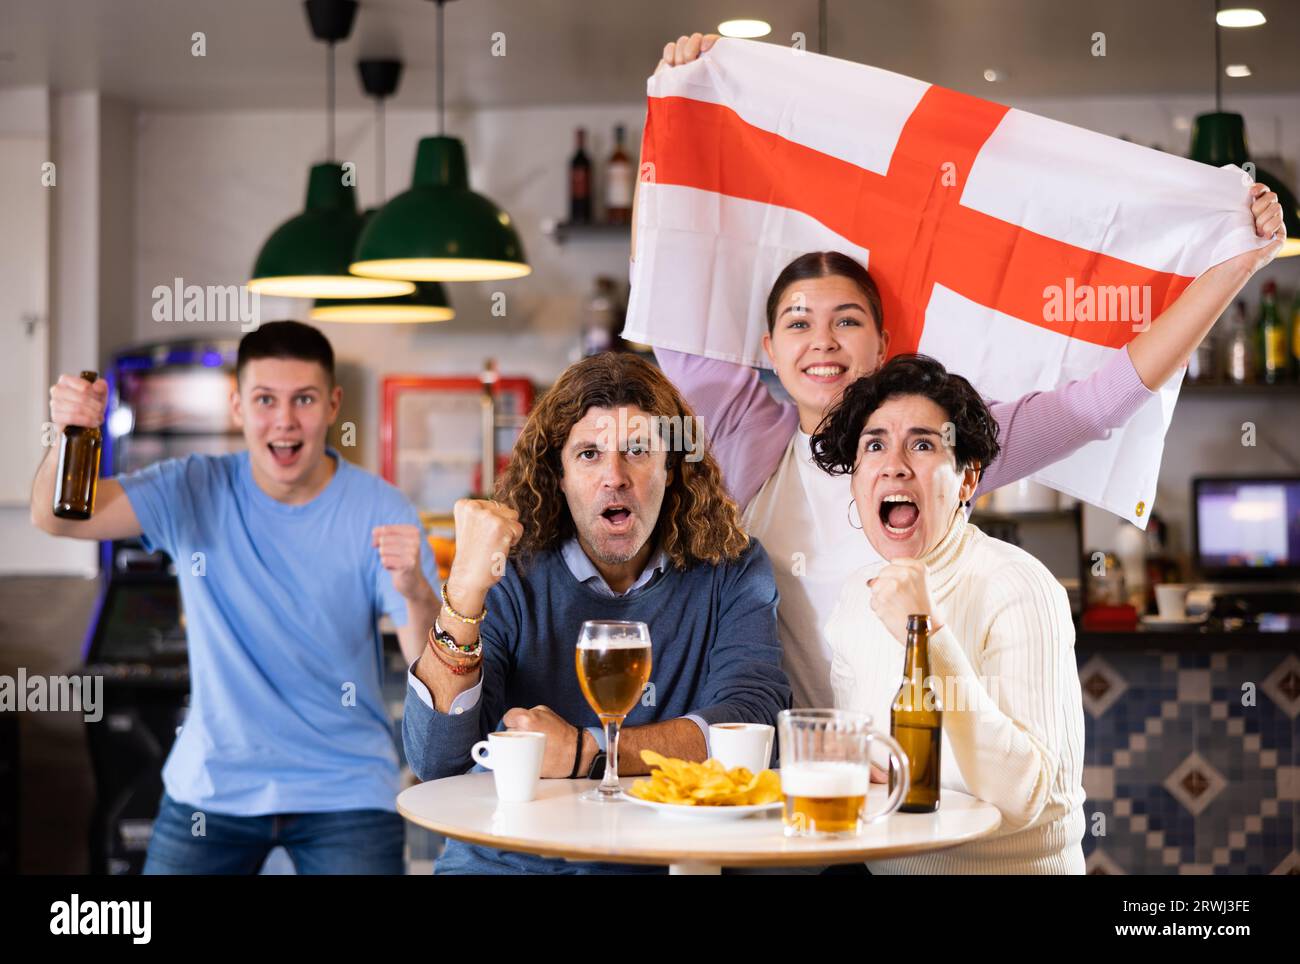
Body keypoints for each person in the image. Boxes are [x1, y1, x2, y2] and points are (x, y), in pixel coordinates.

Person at [642, 34, 1287, 709]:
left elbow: (1100, 403)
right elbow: (667, 286)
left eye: (847, 321)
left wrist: (1233, 266)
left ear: (883, 343)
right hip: (793, 758)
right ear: (769, 348)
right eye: (799, 324)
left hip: (923, 754)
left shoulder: (941, 447)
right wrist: (676, 103)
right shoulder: (742, 430)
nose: (822, 342)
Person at [31, 321, 440, 874]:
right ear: (238, 407)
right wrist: (68, 434)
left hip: (344, 789)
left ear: (332, 405)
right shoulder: (191, 487)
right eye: (265, 399)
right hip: (212, 786)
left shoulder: (380, 507)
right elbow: (57, 519)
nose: (285, 420)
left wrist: (417, 593)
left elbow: (428, 668)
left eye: (304, 399)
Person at [403, 352, 790, 874]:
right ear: (559, 475)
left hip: (658, 862)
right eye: (589, 454)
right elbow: (435, 759)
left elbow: (752, 724)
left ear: (672, 468)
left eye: (638, 450)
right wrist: (465, 591)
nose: (615, 477)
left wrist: (588, 752)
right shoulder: (510, 571)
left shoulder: (732, 568)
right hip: (505, 861)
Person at [811, 354, 1085, 873]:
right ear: (856, 480)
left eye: (922, 445)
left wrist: (927, 633)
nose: (894, 464)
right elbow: (876, 768)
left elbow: (1025, 795)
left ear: (966, 479)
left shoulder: (1018, 585)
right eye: (874, 446)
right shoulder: (856, 597)